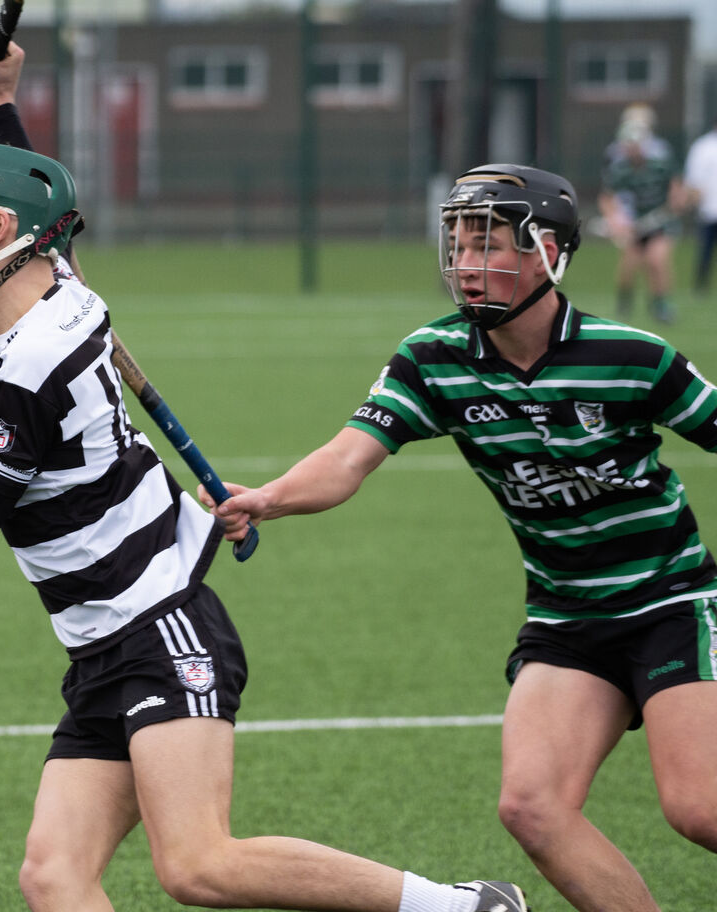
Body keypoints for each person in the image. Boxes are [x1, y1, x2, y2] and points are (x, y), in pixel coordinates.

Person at [0, 55, 529, 912]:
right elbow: (52, 214)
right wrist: (3, 107)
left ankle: (464, 908)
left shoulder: (26, 368)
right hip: (103, 644)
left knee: (197, 865)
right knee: (53, 874)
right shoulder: (66, 291)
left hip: (159, 625)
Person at [204, 163, 717, 912]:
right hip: (566, 616)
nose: (467, 266)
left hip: (668, 601)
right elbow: (349, 458)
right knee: (532, 808)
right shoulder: (433, 360)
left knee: (698, 807)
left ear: (548, 252)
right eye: (459, 244)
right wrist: (270, 499)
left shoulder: (634, 358)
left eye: (490, 245)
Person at [596, 105, 687, 323]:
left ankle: (661, 305)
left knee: (657, 261)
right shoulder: (621, 169)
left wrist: (676, 199)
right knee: (629, 266)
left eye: (635, 145)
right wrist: (616, 220)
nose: (632, 149)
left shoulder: (660, 164)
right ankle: (624, 302)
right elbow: (606, 197)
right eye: (628, 145)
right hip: (637, 223)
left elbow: (676, 187)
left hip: (660, 222)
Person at [683, 115, 717, 293]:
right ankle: (701, 285)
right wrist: (694, 198)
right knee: (706, 250)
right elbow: (694, 178)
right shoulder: (703, 147)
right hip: (710, 209)